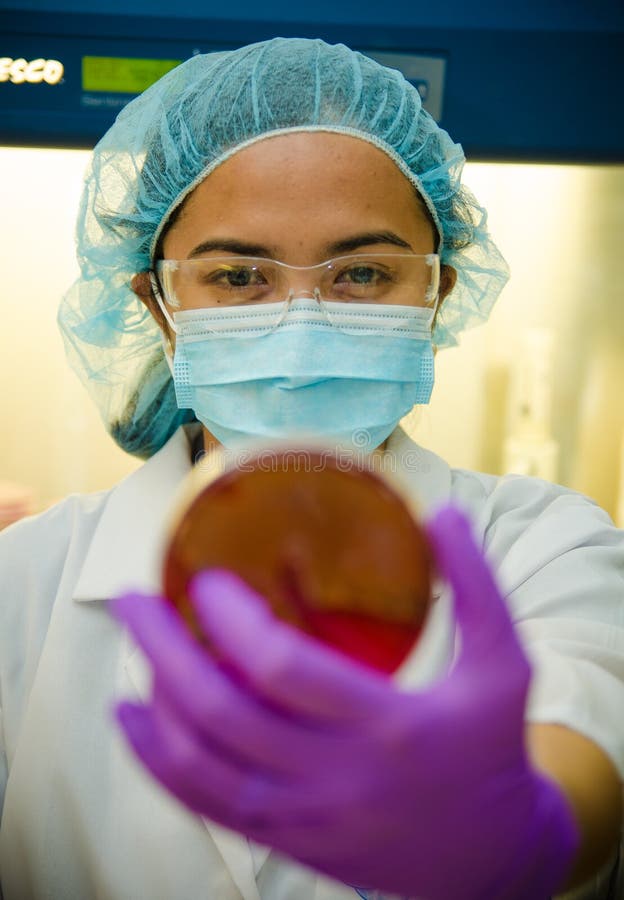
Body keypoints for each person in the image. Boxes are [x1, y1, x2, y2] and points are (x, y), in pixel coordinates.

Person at [0, 37, 622, 900]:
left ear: (436, 291)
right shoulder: (20, 585)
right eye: (238, 275)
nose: (301, 323)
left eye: (363, 271)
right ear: (160, 302)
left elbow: (586, 748)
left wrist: (519, 828)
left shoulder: (545, 546)